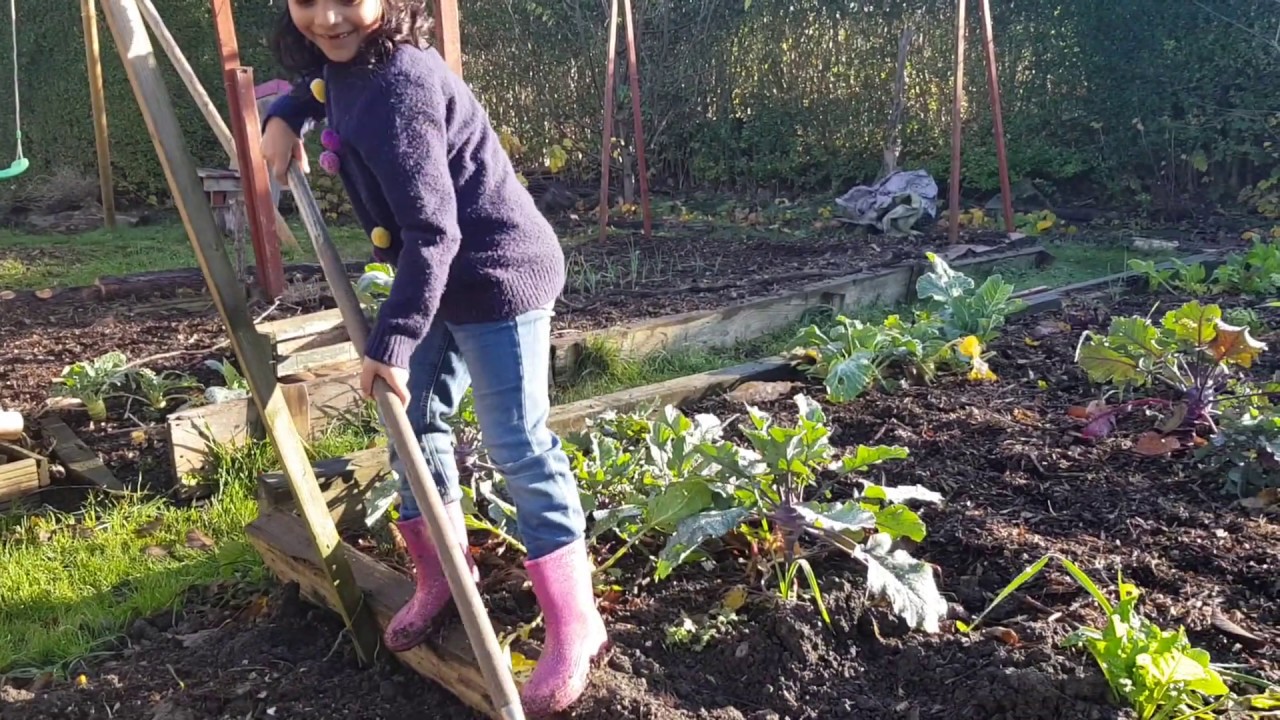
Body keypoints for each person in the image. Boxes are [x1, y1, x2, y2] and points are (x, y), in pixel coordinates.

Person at [259, 1, 607, 714]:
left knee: (517, 442)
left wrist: (392, 341)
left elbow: (432, 232)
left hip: (497, 278)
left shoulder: (402, 87)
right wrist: (288, 112)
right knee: (412, 427)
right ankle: (444, 572)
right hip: (438, 280)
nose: (328, 17)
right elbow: (326, 84)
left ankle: (577, 623)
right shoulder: (350, 62)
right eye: (307, 0)